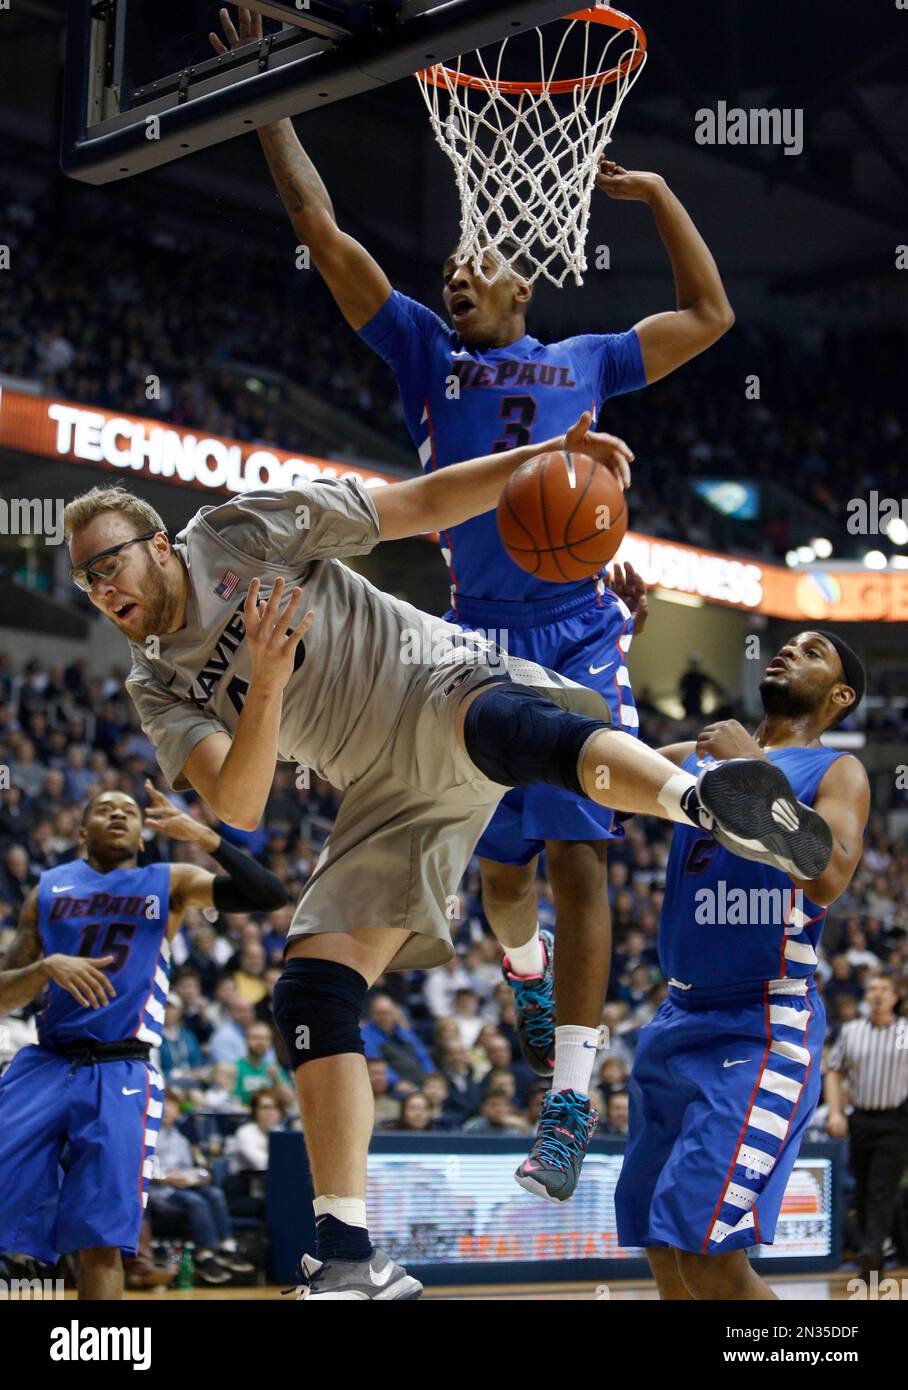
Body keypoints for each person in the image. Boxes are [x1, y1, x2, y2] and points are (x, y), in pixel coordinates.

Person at [64, 458, 834, 1301]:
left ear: (160, 544)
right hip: (380, 785)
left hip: (432, 678)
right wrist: (269, 684)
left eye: (109, 565)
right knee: (311, 994)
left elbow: (419, 502)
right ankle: (351, 1252)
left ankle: (703, 801)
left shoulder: (238, 531)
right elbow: (240, 802)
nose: (100, 588)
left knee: (509, 728)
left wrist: (536, 460)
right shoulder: (155, 682)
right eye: (84, 580)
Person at [211, 4, 736, 1194]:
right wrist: (269, 107)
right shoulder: (420, 354)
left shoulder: (587, 359)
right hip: (464, 643)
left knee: (579, 855)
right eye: (448, 258)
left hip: (577, 631)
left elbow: (710, 318)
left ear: (524, 274)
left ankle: (566, 1104)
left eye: (477, 258)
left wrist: (654, 198)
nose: (456, 268)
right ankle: (523, 980)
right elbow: (320, 228)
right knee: (500, 878)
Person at [614, 631, 871, 1301]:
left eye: (812, 651)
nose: (788, 651)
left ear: (841, 696)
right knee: (664, 1248)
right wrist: (619, 639)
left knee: (706, 1255)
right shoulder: (698, 758)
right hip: (675, 1017)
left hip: (760, 1025)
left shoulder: (836, 771)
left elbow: (830, 875)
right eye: (787, 644)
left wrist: (754, 767)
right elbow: (600, 768)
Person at [0, 786, 286, 1299]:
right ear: (82, 832)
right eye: (104, 809)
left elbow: (268, 894)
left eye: (129, 811)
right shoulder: (46, 890)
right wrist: (44, 967)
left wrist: (203, 836)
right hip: (45, 1064)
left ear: (141, 830)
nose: (117, 815)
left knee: (101, 1240)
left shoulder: (168, 883)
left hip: (121, 1071)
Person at [825, 971, 908, 1284]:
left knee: (881, 1188)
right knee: (861, 1189)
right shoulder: (852, 1031)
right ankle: (869, 1255)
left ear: (894, 996)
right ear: (865, 995)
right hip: (860, 1117)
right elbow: (834, 1072)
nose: (877, 994)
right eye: (872, 988)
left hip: (896, 1120)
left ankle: (872, 1250)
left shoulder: (904, 1032)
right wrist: (835, 1112)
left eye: (883, 989)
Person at [149, 1092, 253, 1284]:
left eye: (173, 1108)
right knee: (195, 1201)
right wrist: (166, 1178)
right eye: (164, 1107)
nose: (168, 1112)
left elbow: (188, 1168)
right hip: (160, 1193)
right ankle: (205, 1256)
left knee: (214, 1193)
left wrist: (196, 1177)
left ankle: (227, 1247)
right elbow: (142, 1168)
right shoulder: (146, 1136)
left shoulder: (180, 1139)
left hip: (182, 1188)